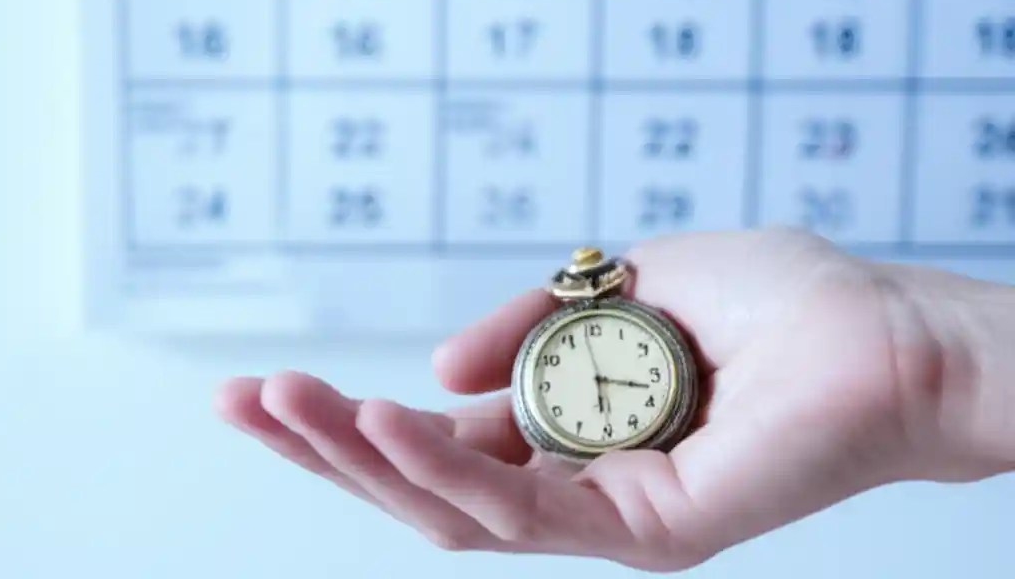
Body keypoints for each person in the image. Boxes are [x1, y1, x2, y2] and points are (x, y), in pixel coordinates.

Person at [214, 228, 1015, 571]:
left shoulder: (656, 332)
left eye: (621, 369)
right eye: (587, 372)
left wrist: (924, 357)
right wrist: (931, 361)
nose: (599, 377)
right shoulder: (569, 349)